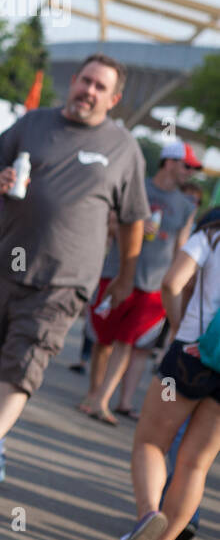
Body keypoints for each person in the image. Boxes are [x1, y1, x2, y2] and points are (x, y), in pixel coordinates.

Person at [0, 54, 149, 493]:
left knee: (24, 360)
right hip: (9, 262)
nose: (89, 92)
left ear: (113, 99)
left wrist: (126, 276)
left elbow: (134, 218)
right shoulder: (31, 124)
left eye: (101, 87)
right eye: (85, 81)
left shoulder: (123, 148)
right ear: (73, 80)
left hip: (66, 277)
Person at [115, 210, 220, 540]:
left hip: (187, 358)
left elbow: (173, 282)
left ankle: (148, 516)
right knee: (195, 465)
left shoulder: (211, 234)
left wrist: (178, 328)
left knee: (149, 442)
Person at [79, 141, 199, 424]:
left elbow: (181, 246)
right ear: (169, 162)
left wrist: (181, 284)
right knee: (102, 338)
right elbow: (106, 223)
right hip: (116, 274)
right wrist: (129, 226)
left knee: (127, 342)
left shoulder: (185, 205)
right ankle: (93, 393)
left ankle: (102, 401)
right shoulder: (137, 188)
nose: (189, 172)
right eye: (186, 166)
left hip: (153, 287)